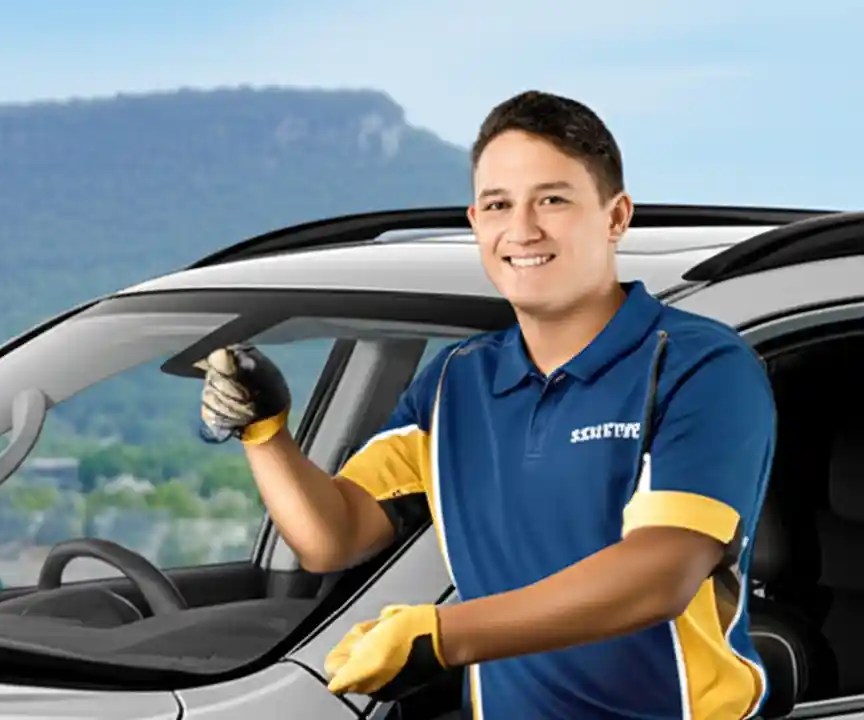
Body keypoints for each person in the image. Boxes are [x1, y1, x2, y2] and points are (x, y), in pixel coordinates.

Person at [196, 90, 776, 719]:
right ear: (476, 222)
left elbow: (660, 574)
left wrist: (444, 637)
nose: (522, 230)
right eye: (499, 204)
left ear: (616, 217)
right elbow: (332, 537)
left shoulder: (698, 366)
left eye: (552, 200)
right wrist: (266, 435)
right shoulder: (455, 383)